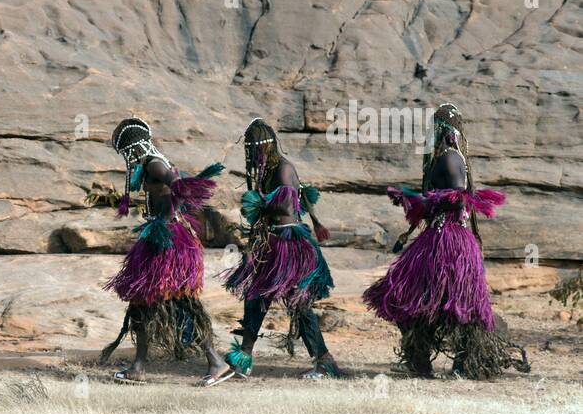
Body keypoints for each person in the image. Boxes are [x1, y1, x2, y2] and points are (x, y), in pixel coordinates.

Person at [364, 103, 529, 378]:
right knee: (421, 300)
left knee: (420, 298)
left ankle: (460, 363)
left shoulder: (449, 158)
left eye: (434, 130)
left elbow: (455, 197)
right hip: (444, 239)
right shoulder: (449, 158)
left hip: (447, 242)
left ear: (443, 131)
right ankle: (423, 360)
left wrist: (418, 200)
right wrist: (411, 199)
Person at [99, 118, 229, 385]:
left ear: (133, 147)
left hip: (169, 242)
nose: (127, 157)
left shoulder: (155, 164)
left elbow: (176, 185)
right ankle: (138, 367)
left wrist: (172, 211)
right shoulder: (152, 162)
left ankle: (216, 361)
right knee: (142, 302)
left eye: (126, 151)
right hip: (162, 238)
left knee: (182, 303)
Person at [222, 119, 340, 380]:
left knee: (300, 305)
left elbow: (288, 205)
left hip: (290, 245)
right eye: (248, 150)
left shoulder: (284, 169)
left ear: (266, 147)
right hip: (273, 244)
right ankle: (244, 358)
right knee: (256, 298)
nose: (251, 155)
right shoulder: (270, 169)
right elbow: (302, 198)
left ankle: (324, 362)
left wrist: (260, 205)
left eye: (254, 150)